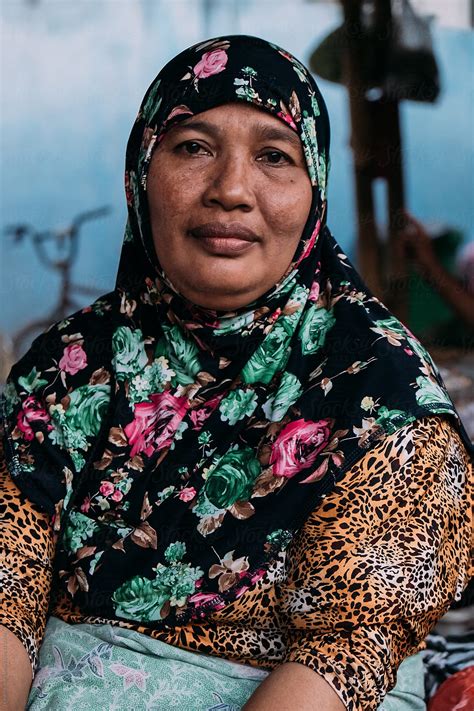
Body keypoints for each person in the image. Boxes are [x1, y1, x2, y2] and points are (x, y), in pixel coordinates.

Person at [0, 35, 472, 711]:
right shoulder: (71, 366)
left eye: (275, 156)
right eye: (192, 147)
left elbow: (343, 651)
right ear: (141, 172)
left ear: (315, 190)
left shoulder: (384, 395)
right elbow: (6, 585)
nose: (230, 190)